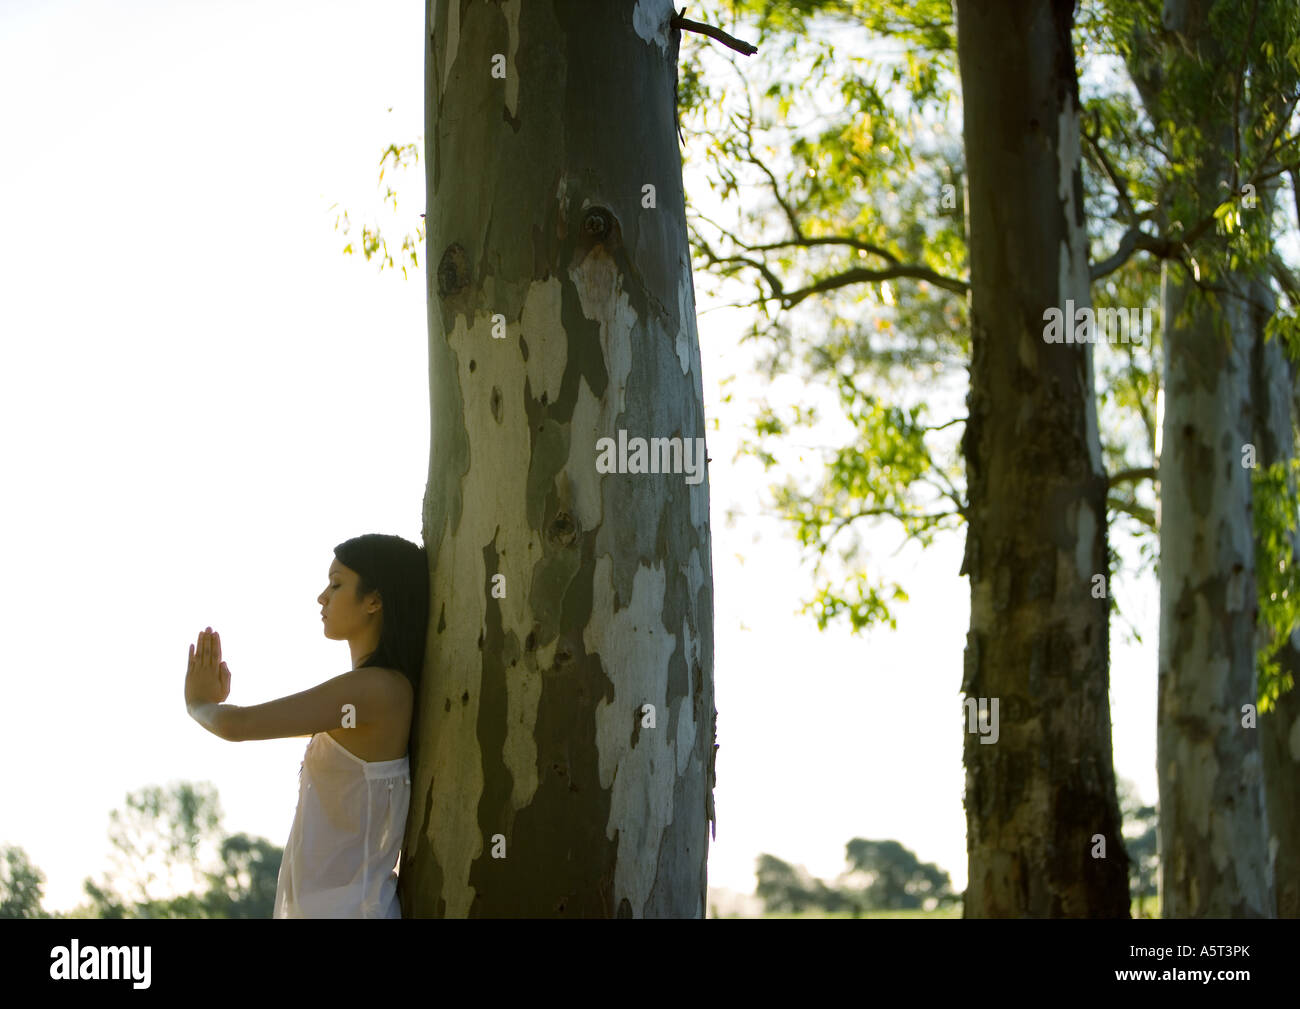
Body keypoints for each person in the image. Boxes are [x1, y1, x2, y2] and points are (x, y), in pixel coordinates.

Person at [185, 533, 429, 918]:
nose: (322, 597)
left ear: (375, 600)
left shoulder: (379, 689)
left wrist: (197, 704)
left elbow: (240, 724)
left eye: (336, 584)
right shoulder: (372, 692)